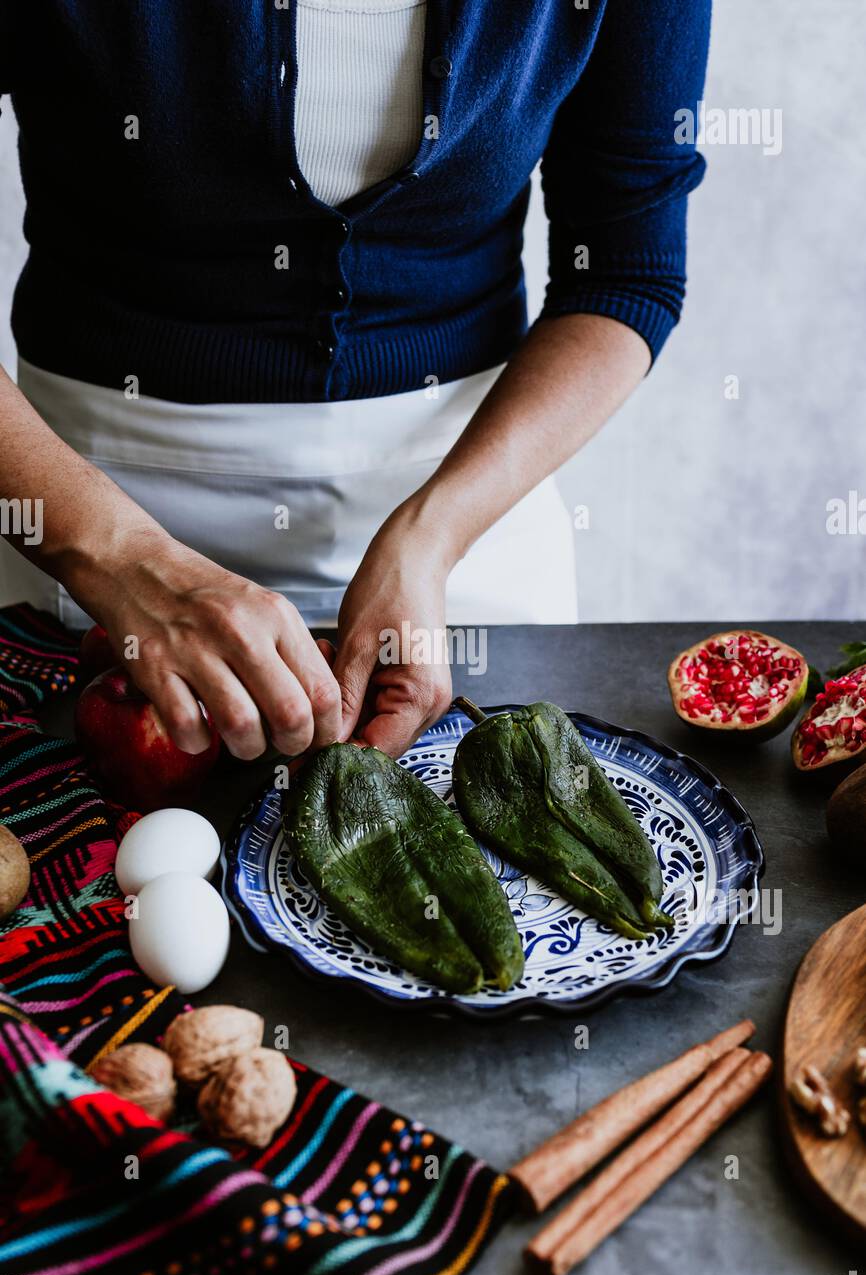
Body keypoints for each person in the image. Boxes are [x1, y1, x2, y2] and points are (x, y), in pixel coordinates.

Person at [0, 0, 710, 759]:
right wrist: (117, 557)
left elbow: (626, 275)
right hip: (81, 515)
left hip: (463, 519)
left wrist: (432, 537)